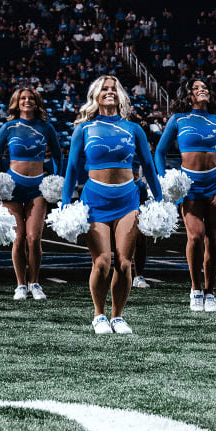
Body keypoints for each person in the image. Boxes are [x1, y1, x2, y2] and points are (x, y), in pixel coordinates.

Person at [62, 76, 161, 335]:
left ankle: (118, 316)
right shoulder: (84, 129)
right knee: (103, 262)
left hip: (128, 198)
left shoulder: (134, 129)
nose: (109, 93)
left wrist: (159, 200)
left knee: (125, 263)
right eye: (104, 89)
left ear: (120, 96)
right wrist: (65, 202)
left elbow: (149, 166)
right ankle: (99, 315)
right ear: (96, 95)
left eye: (113, 89)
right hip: (95, 199)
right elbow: (72, 169)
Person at [152, 79, 216, 313]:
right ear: (188, 95)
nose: (202, 89)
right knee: (196, 236)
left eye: (204, 87)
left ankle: (210, 292)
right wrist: (165, 179)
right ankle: (195, 288)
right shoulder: (178, 120)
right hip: (189, 186)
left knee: (214, 237)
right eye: (196, 88)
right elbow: (160, 152)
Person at [0, 87, 63, 301]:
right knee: (19, 238)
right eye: (23, 98)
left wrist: (56, 178)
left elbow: (58, 155)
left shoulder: (46, 127)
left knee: (34, 237)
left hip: (38, 187)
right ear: (17, 102)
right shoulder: (9, 127)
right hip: (12, 187)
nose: (27, 101)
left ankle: (35, 283)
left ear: (37, 102)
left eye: (31, 98)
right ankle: (21, 285)